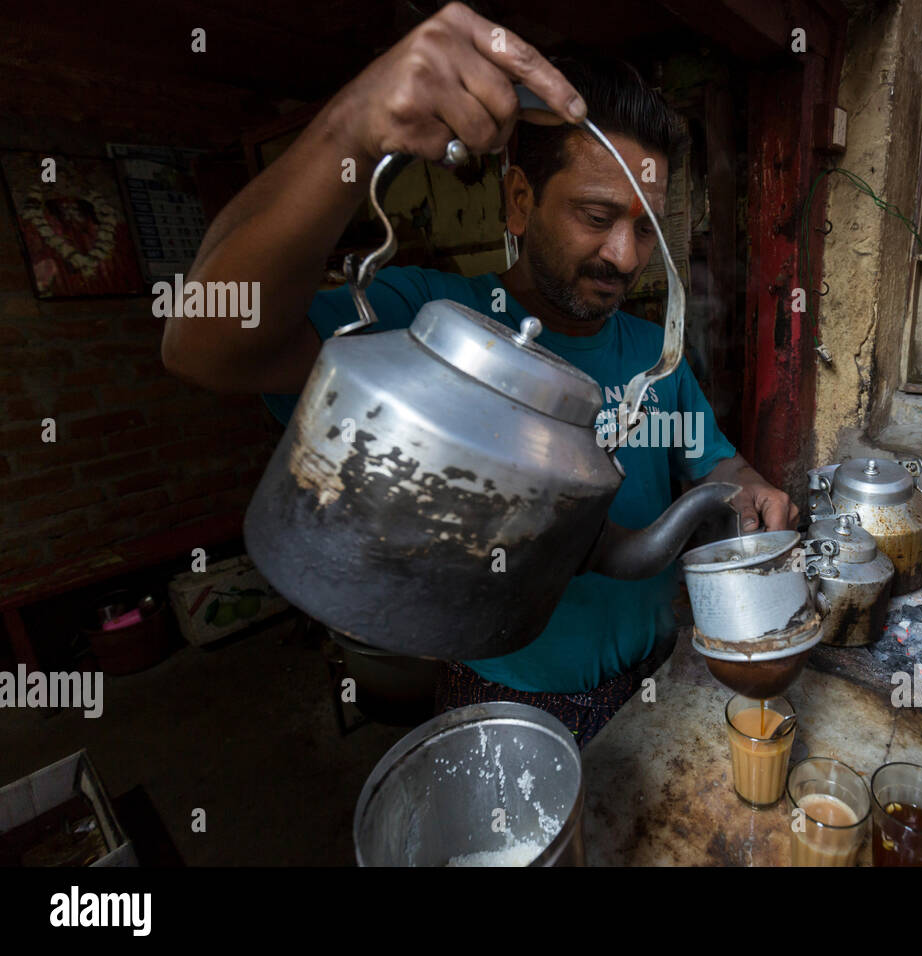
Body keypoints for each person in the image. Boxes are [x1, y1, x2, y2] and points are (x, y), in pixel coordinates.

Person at [161, 4, 796, 745]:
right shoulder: (424, 317)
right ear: (520, 202)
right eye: (596, 216)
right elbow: (203, 343)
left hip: (653, 683)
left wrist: (746, 482)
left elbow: (714, 458)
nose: (625, 257)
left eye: (642, 228)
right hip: (510, 700)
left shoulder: (654, 351)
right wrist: (353, 130)